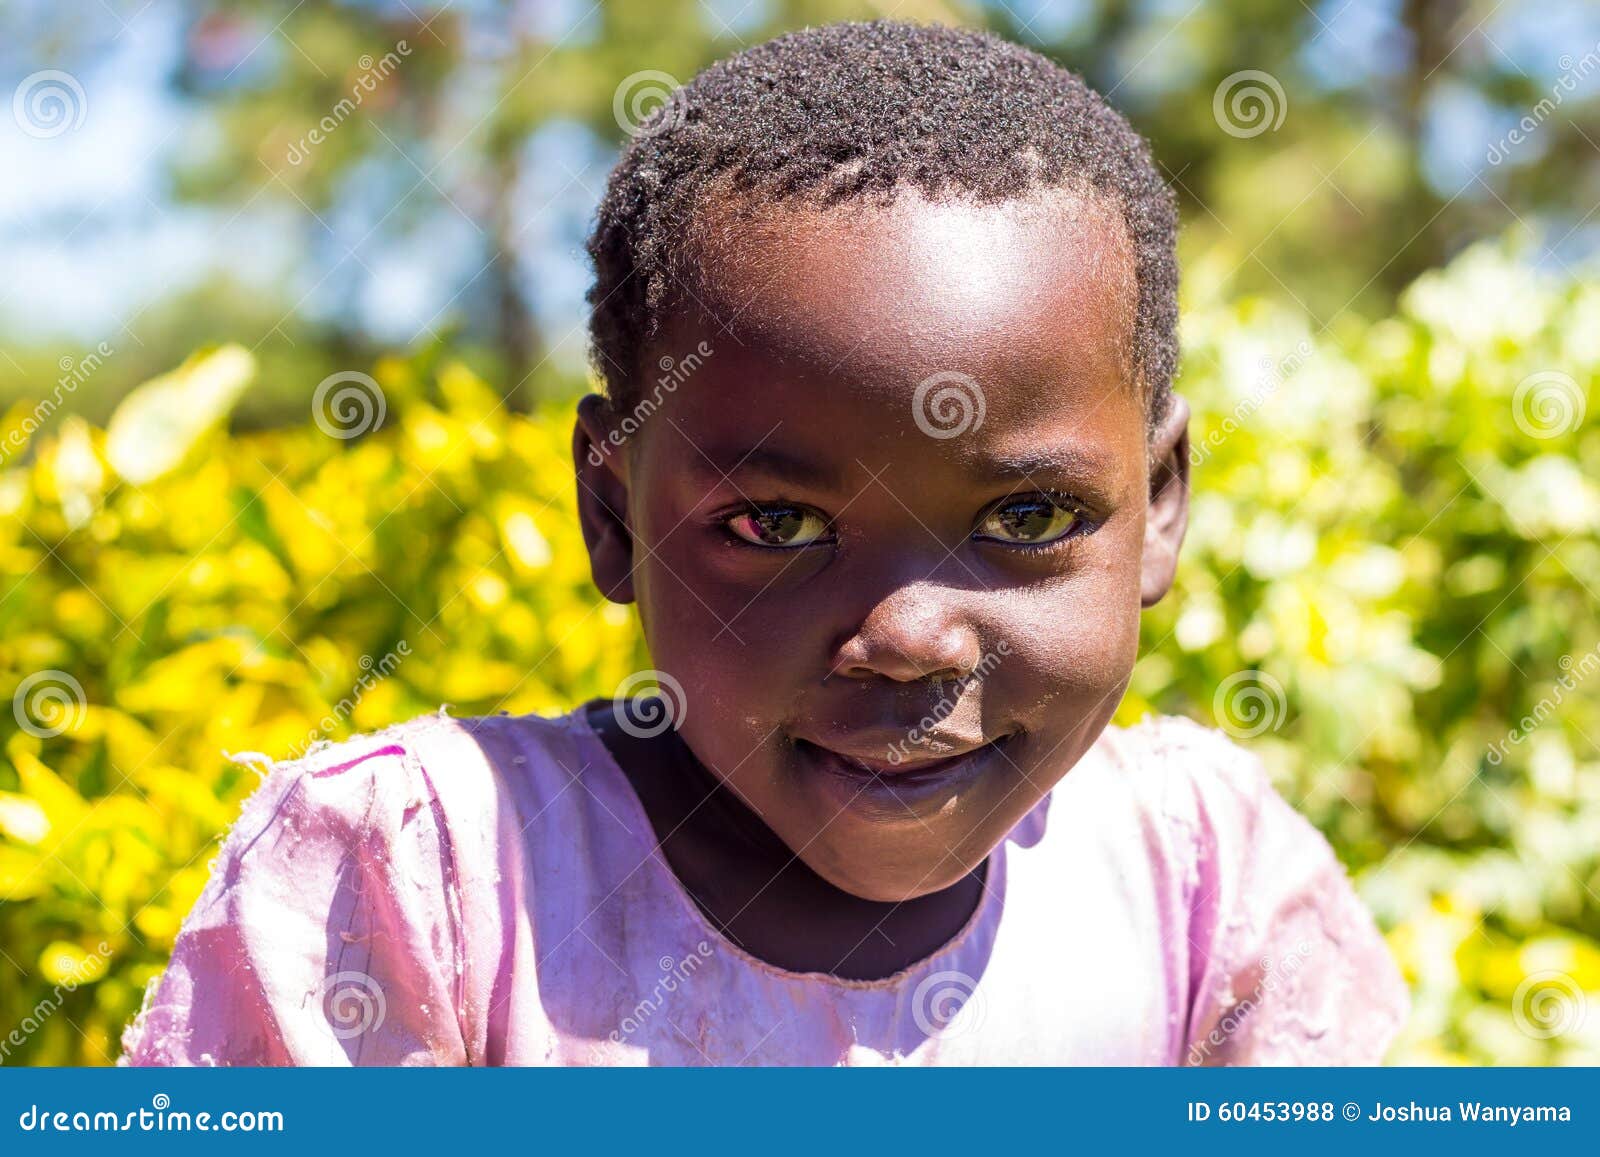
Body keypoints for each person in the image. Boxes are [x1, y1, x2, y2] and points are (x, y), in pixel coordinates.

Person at [121, 20, 1408, 1066]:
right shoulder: (432, 885)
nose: (908, 638)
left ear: (1159, 506)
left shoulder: (1204, 887)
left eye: (1026, 517)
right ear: (613, 511)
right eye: (776, 525)